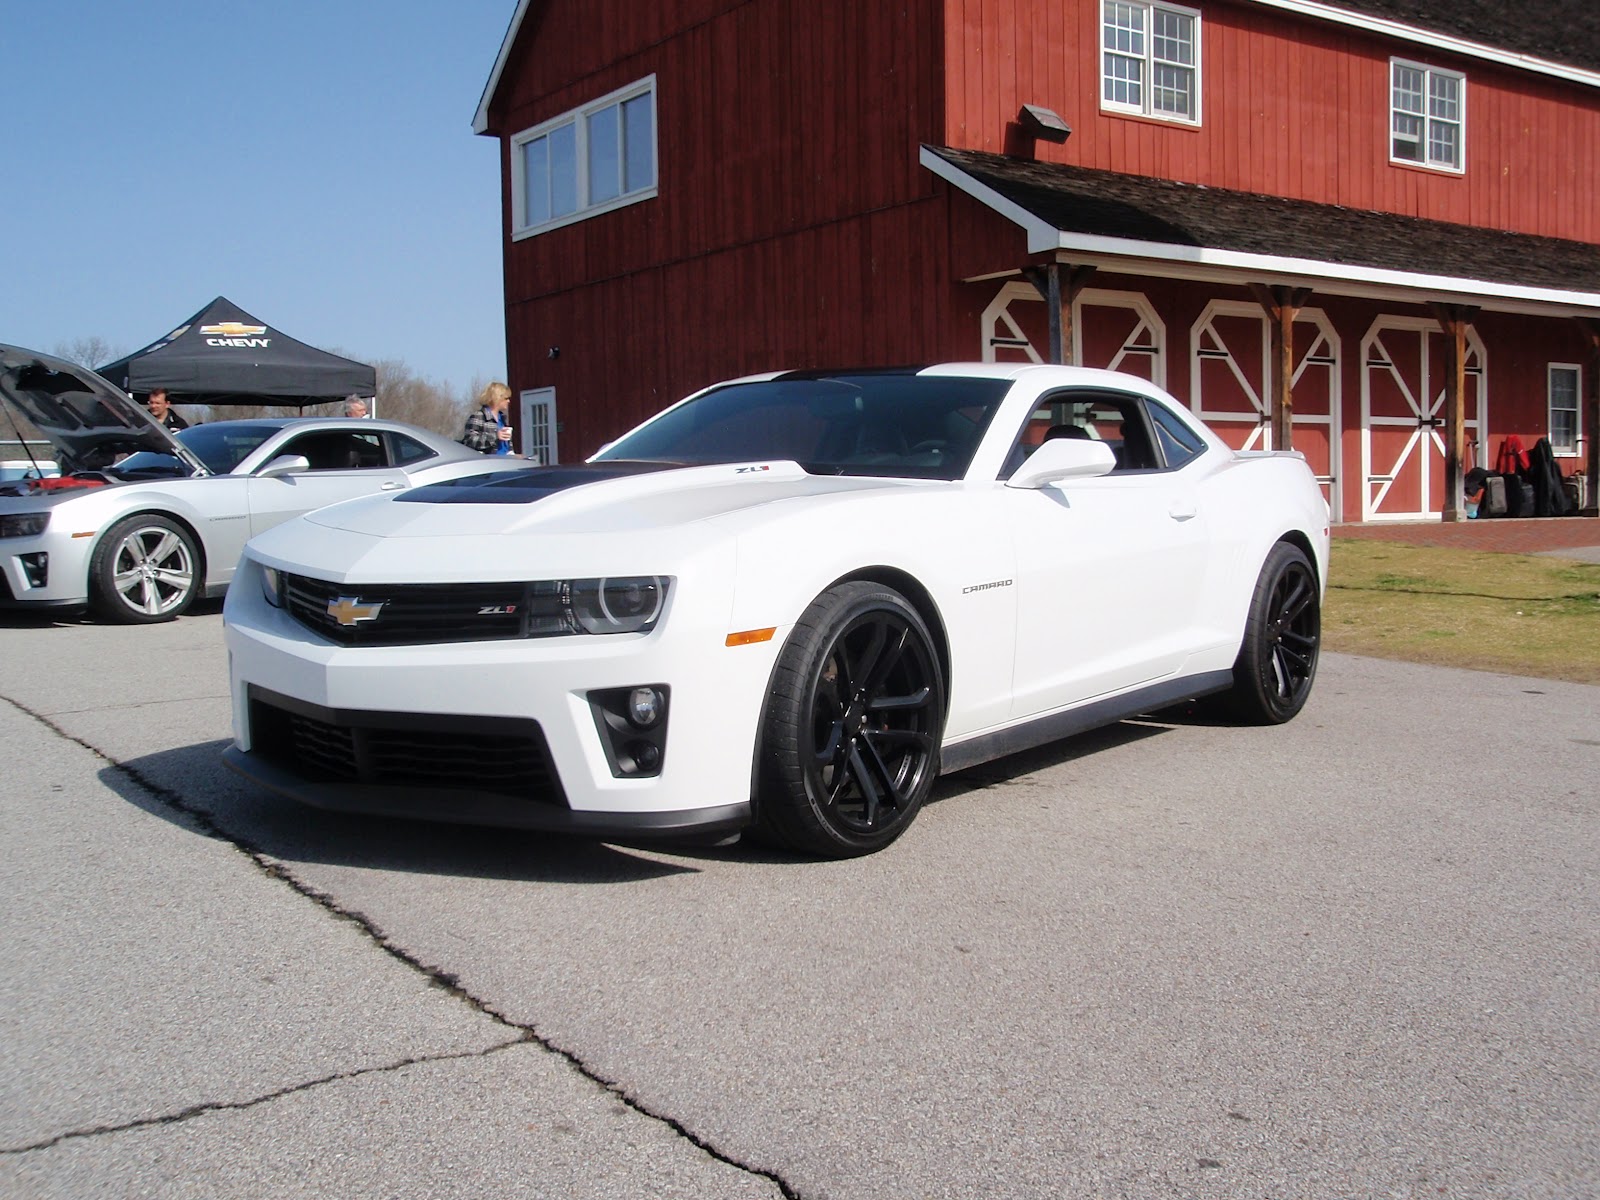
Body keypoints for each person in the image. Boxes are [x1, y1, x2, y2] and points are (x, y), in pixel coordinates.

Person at [461, 382, 514, 455]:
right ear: (497, 398)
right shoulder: (479, 416)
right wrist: (495, 437)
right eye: (506, 398)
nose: (508, 401)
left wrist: (512, 454)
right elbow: (469, 441)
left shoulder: (502, 418)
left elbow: (507, 444)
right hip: (488, 461)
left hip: (505, 460)